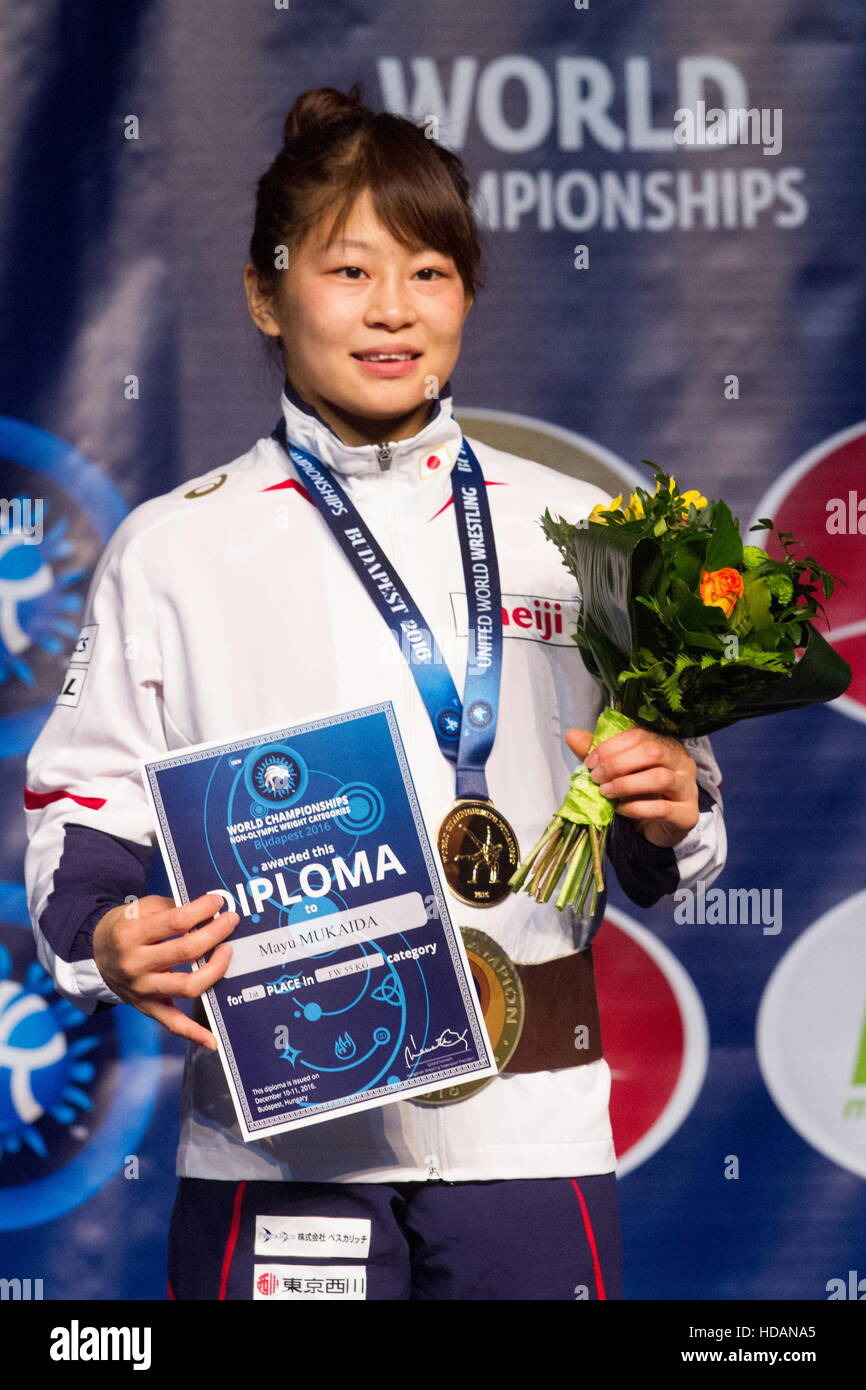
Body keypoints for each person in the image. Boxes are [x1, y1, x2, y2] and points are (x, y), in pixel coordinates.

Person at [23, 84, 726, 1301]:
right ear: (263, 291)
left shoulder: (580, 532)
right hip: (281, 1135)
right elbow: (80, 815)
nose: (393, 310)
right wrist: (104, 937)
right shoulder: (173, 546)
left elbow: (673, 821)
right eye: (348, 271)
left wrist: (675, 807)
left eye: (431, 271)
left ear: (465, 294)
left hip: (531, 1133)